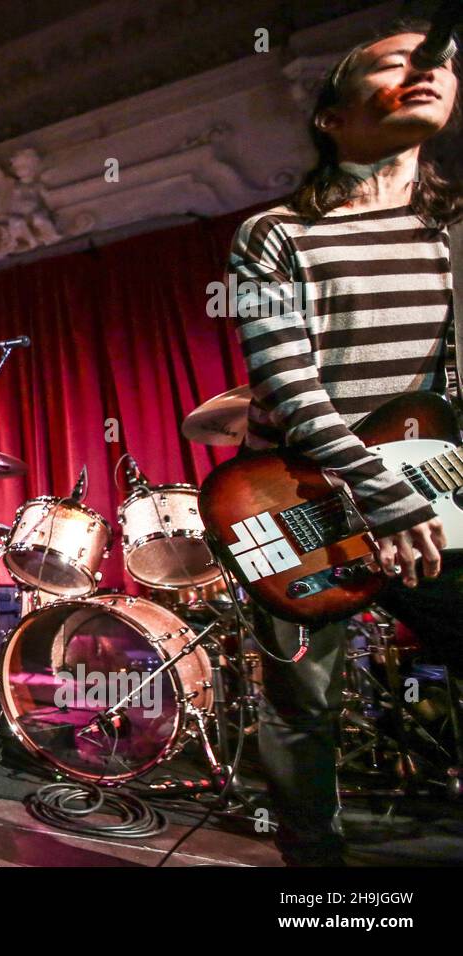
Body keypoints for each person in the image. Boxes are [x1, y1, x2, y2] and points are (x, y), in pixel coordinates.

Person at [226, 22, 460, 865]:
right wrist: (382, 491)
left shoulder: (454, 229)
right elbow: (289, 384)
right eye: (397, 61)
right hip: (303, 501)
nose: (430, 69)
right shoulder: (274, 234)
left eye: (440, 63)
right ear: (329, 116)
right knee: (301, 705)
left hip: (442, 503)